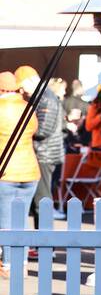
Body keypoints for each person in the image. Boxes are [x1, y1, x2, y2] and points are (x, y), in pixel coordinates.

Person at [0, 72, 40, 278]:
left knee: (6, 220)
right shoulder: (28, 107)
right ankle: (22, 262)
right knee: (22, 218)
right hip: (30, 169)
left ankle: (7, 264)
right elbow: (34, 129)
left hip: (6, 170)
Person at [16, 68, 65, 223]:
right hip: (44, 153)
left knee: (42, 199)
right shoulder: (43, 96)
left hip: (44, 154)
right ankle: (42, 242)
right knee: (40, 199)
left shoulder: (45, 98)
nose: (21, 90)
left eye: (22, 85)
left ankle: (44, 242)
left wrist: (21, 130)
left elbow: (43, 129)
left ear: (31, 81)